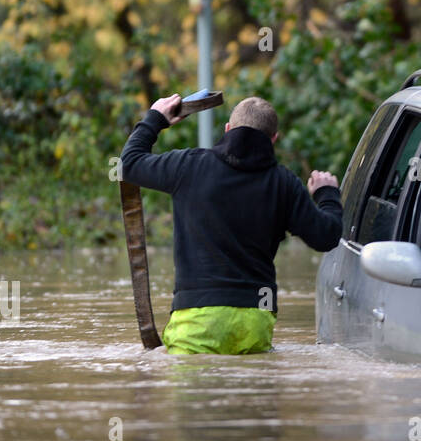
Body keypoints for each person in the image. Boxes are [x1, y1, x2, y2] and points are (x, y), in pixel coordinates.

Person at [120, 93, 343, 354]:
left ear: (227, 130)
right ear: (274, 139)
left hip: (195, 319)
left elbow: (128, 165)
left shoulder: (188, 166)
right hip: (255, 316)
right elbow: (327, 237)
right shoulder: (284, 183)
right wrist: (327, 195)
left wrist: (155, 119)